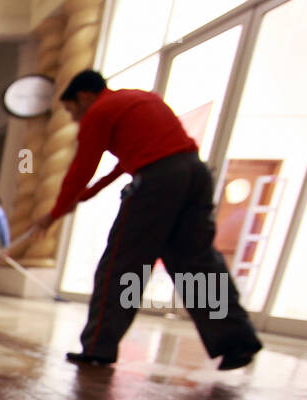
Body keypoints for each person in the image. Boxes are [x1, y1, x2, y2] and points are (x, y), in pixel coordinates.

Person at [31, 70, 262, 370]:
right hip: (195, 174)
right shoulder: (138, 100)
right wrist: (87, 195)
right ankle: (237, 341)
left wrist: (53, 214)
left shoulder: (99, 111)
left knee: (123, 263)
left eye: (72, 109)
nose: (74, 118)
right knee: (197, 262)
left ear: (85, 96)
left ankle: (99, 347)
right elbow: (120, 165)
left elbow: (82, 166)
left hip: (158, 182)